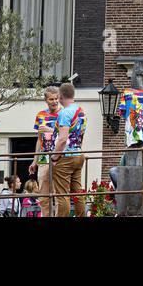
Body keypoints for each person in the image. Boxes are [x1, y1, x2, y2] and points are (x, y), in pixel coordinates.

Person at [51, 82, 88, 218]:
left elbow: (62, 139)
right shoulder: (81, 111)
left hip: (66, 157)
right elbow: (81, 134)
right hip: (78, 153)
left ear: (60, 96)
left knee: (62, 194)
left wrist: (54, 157)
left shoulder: (65, 113)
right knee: (77, 192)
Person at [33, 84, 60, 217]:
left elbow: (66, 137)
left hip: (59, 157)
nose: (54, 102)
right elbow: (39, 140)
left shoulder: (63, 114)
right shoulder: (40, 115)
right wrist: (34, 161)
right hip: (44, 157)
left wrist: (51, 130)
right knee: (43, 194)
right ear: (46, 100)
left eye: (56, 99)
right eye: (51, 99)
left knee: (58, 193)